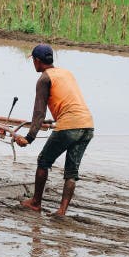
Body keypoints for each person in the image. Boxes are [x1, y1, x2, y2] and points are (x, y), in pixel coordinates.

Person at [13, 44, 94, 216]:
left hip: (69, 126)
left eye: (33, 61)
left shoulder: (44, 79)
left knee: (43, 161)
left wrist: (28, 138)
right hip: (87, 125)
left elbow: (39, 112)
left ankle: (35, 203)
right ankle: (62, 211)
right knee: (71, 171)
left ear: (37, 61)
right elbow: (66, 102)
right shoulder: (66, 73)